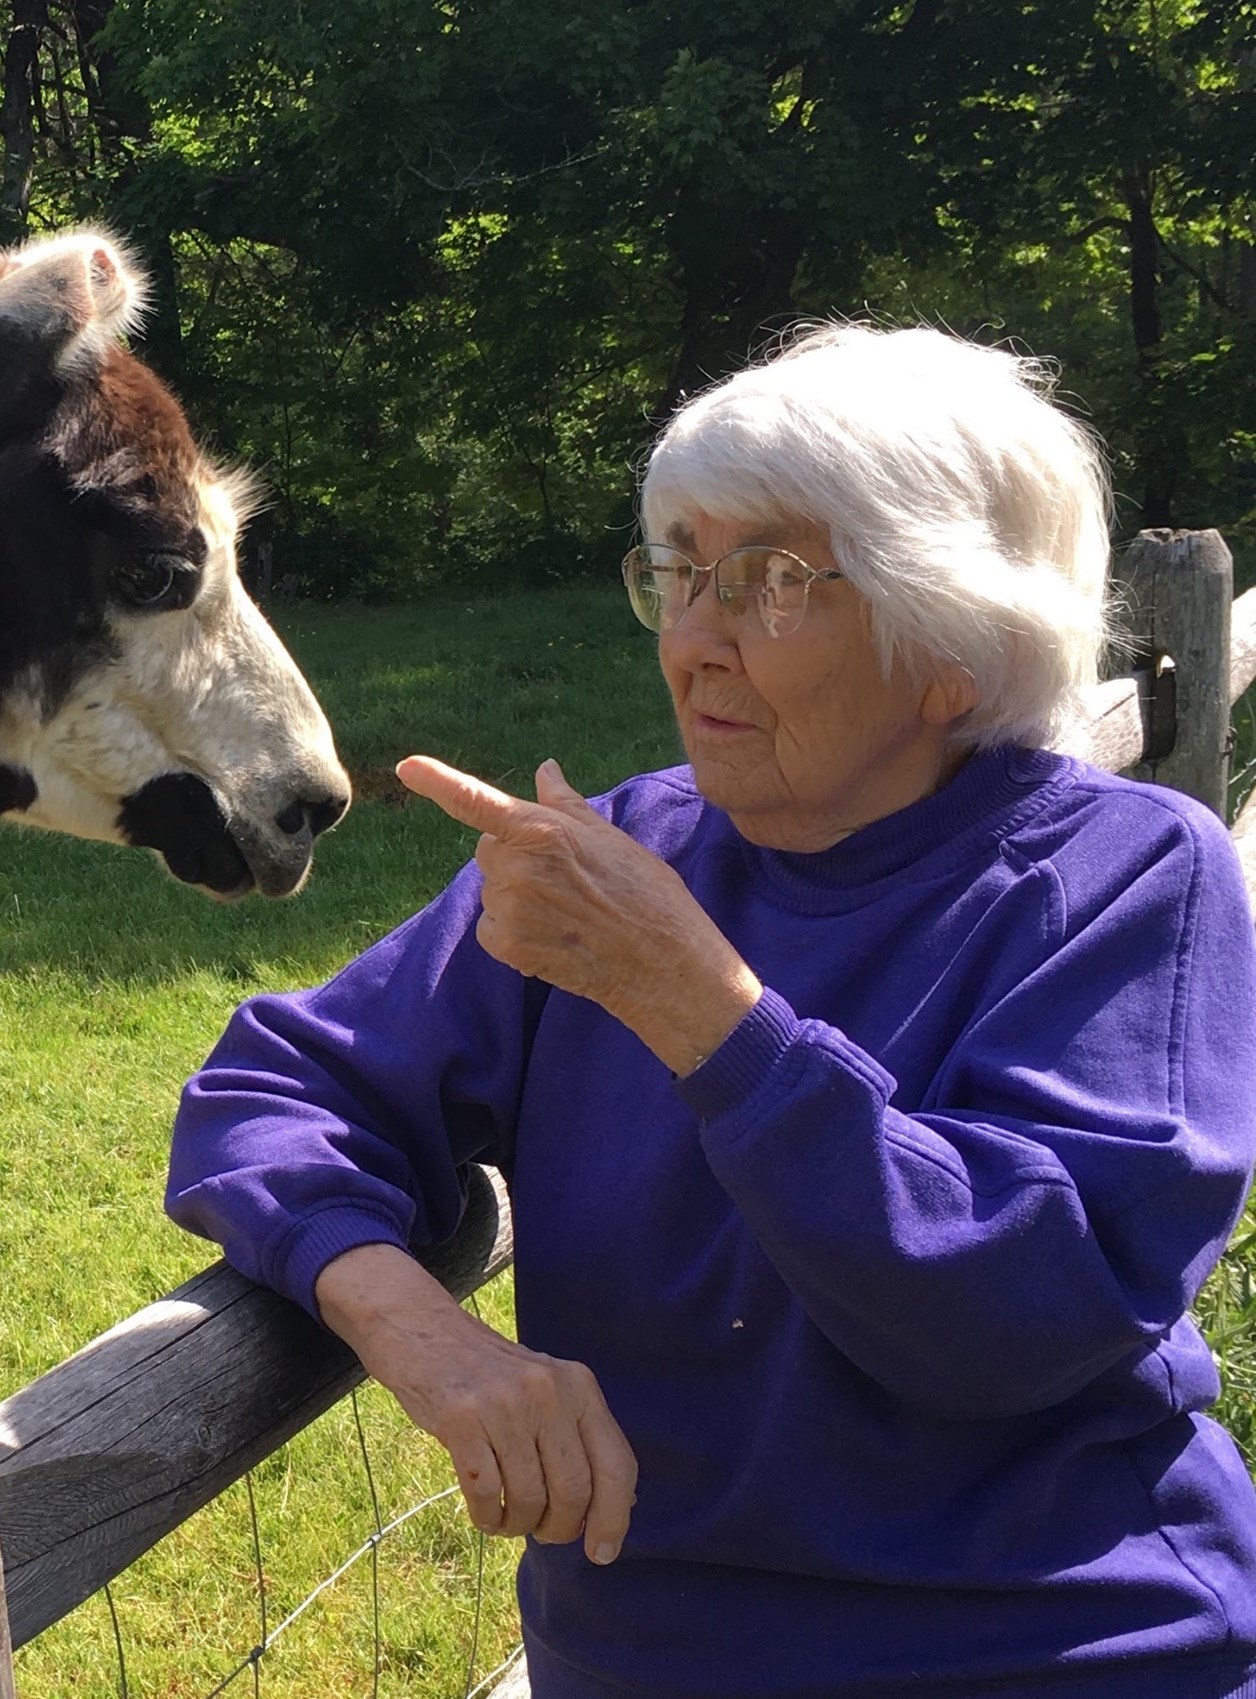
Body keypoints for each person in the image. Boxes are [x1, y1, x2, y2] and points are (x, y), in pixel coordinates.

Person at [164, 323, 1256, 1697]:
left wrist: (702, 1011)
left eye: (769, 585)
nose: (692, 643)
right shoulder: (623, 859)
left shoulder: (1124, 878)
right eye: (679, 574)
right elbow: (274, 1093)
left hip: (1051, 1648)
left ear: (957, 647)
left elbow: (1017, 1313)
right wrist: (426, 1341)